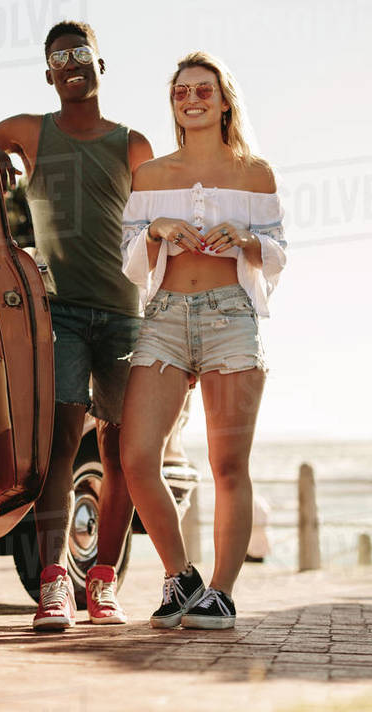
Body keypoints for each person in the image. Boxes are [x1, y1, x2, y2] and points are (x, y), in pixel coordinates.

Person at [0, 21, 154, 630]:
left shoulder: (134, 145)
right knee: (61, 440)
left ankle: (103, 582)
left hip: (124, 315)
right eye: (59, 58)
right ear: (49, 74)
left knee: (120, 451)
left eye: (81, 53)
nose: (71, 64)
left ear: (100, 65)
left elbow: (156, 236)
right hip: (58, 312)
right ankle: (53, 583)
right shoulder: (30, 132)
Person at [119, 51, 287, 630]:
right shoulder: (150, 175)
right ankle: (179, 575)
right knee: (137, 456)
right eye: (181, 92)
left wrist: (245, 237)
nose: (191, 99)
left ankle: (221, 590)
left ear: (224, 101)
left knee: (228, 464)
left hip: (231, 317)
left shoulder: (255, 173)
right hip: (163, 316)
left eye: (203, 91)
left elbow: (279, 254)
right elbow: (131, 260)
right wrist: (157, 230)